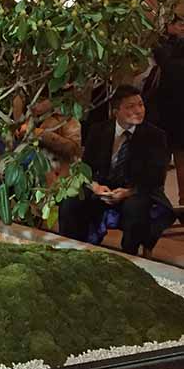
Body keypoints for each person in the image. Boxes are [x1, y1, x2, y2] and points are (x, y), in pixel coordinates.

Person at [58, 85, 173, 256]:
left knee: (136, 207)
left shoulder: (155, 136)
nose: (138, 111)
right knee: (71, 201)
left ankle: (129, 255)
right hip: (102, 187)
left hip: (135, 189)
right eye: (130, 107)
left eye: (140, 105)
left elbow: (155, 178)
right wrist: (95, 186)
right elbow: (86, 166)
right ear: (116, 111)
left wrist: (127, 192)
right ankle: (70, 250)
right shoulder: (98, 130)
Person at [149, 15, 184, 205]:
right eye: (179, 24)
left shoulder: (167, 59)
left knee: (160, 166)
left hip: (165, 120)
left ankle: (158, 204)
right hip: (171, 120)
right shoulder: (168, 56)